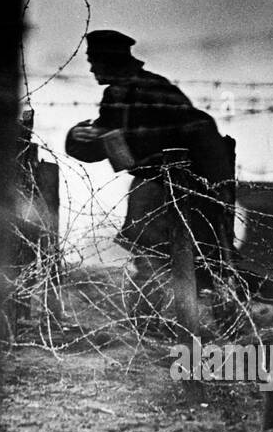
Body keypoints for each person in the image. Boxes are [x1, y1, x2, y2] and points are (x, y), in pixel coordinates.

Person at [65, 30, 235, 327]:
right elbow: (105, 142)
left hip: (179, 186)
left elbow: (201, 128)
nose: (91, 68)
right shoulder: (114, 96)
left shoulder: (153, 89)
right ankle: (155, 322)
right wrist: (79, 138)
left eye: (95, 61)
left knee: (183, 258)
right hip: (150, 185)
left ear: (111, 60)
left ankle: (171, 322)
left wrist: (216, 190)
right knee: (151, 255)